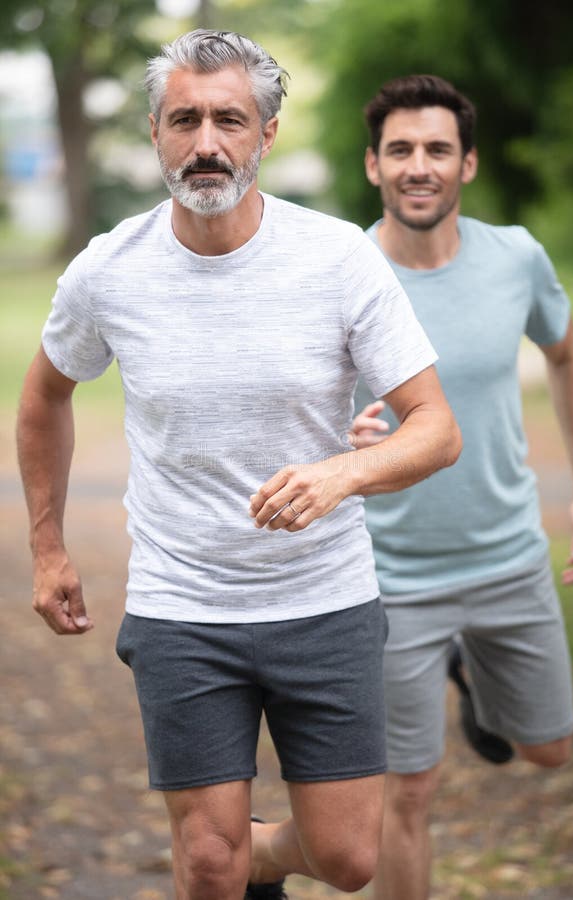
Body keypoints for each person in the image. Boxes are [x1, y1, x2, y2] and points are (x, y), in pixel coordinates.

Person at [16, 33, 462, 900]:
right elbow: (42, 399)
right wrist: (48, 547)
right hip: (183, 605)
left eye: (230, 119)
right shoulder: (109, 271)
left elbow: (435, 428)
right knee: (207, 865)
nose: (207, 142)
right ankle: (220, 855)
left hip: (324, 599)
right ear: (155, 133)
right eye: (185, 119)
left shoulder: (336, 260)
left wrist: (340, 475)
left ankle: (248, 850)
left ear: (267, 134)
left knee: (348, 860)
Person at [351, 74, 573, 900]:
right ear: (373, 167)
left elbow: (568, 356)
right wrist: (333, 443)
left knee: (549, 750)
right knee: (408, 789)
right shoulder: (342, 275)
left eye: (437, 150)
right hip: (391, 579)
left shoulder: (517, 257)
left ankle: (476, 683)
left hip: (508, 559)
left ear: (468, 165)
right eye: (401, 150)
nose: (419, 165)